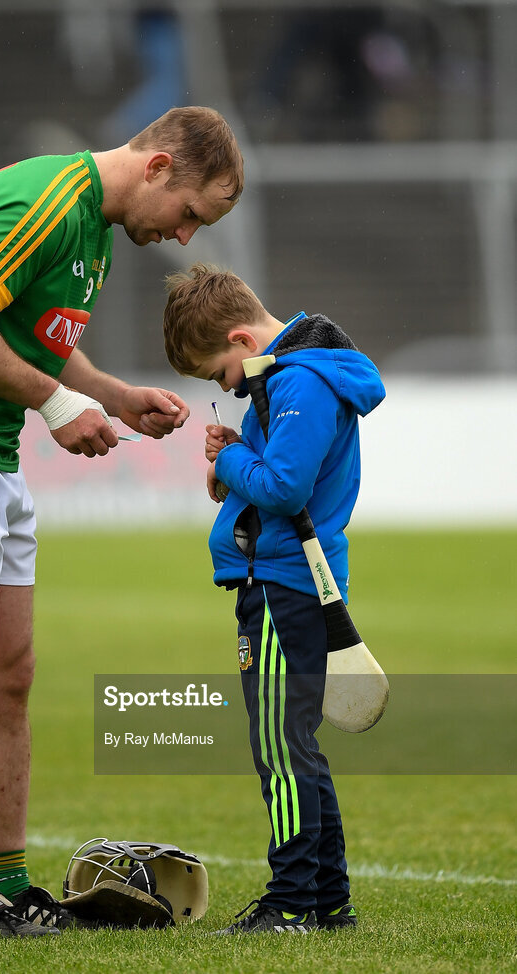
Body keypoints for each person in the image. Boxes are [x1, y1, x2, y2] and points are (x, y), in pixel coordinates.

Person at [0, 108, 243, 938]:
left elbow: (31, 337)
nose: (182, 236)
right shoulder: (47, 201)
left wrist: (113, 395)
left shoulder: (92, 228)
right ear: (161, 166)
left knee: (12, 674)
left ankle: (3, 882)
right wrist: (59, 406)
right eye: (191, 215)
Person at [162, 264, 385, 934]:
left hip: (286, 589)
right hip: (281, 583)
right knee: (297, 748)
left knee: (282, 752)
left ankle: (291, 902)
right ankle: (327, 903)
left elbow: (285, 489)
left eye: (217, 372)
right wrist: (238, 450)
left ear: (239, 337)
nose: (222, 387)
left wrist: (229, 464)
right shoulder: (287, 380)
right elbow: (277, 473)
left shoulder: (296, 383)